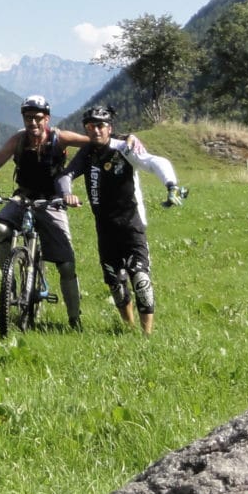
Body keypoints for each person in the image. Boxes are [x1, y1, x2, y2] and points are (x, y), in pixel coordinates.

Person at [64, 104, 182, 334]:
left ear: (110, 128)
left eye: (101, 125)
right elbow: (67, 174)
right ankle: (128, 327)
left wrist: (171, 185)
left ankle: (147, 335)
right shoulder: (87, 153)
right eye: (91, 126)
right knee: (115, 282)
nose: (96, 130)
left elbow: (153, 162)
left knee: (141, 278)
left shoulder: (124, 147)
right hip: (105, 227)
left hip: (131, 223)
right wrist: (66, 192)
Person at [0, 94, 89, 329]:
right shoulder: (18, 140)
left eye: (38, 118)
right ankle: (10, 280)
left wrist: (124, 140)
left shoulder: (59, 138)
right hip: (24, 197)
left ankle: (74, 319)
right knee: (0, 228)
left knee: (66, 265)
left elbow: (94, 141)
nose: (33, 123)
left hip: (52, 201)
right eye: (28, 118)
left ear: (47, 118)